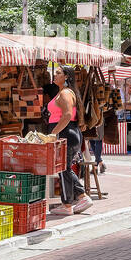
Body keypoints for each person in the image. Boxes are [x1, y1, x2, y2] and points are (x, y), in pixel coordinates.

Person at [48, 77, 91, 215]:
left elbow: (66, 115)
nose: (55, 75)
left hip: (65, 132)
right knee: (63, 167)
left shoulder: (66, 93)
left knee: (63, 167)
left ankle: (81, 196)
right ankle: (66, 203)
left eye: (59, 73)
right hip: (68, 132)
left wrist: (54, 132)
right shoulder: (65, 92)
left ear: (66, 76)